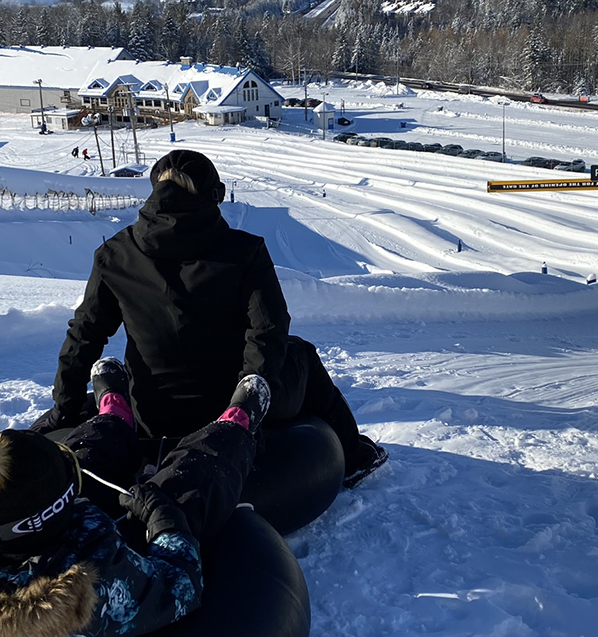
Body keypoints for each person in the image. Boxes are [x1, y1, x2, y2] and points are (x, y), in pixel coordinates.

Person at [32, 149, 387, 489]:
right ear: (214, 195)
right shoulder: (245, 251)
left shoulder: (114, 254)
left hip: (150, 413)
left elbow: (84, 335)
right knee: (301, 353)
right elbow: (269, 330)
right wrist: (252, 398)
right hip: (229, 408)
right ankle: (355, 457)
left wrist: (65, 408)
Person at [0, 358, 269, 637]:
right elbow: (177, 588)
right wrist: (165, 524)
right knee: (185, 488)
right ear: (49, 514)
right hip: (105, 558)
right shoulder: (94, 588)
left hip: (34, 549)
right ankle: (236, 424)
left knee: (84, 458)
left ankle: (114, 415)